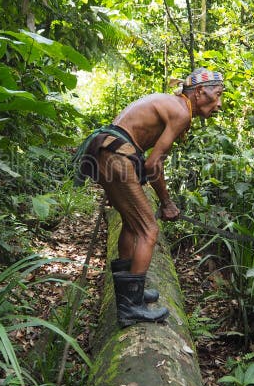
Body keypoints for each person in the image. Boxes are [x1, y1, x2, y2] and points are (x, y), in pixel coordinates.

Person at [75, 68, 224, 327]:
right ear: (200, 93)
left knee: (132, 225)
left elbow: (147, 160)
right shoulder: (181, 112)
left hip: (107, 150)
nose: (220, 104)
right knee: (149, 229)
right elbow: (154, 164)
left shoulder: (173, 104)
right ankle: (131, 308)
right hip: (116, 154)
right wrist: (166, 203)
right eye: (218, 95)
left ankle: (129, 293)